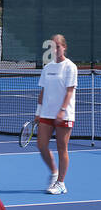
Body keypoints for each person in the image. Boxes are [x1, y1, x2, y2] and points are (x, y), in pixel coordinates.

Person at [37, 33, 77, 195]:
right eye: (53, 47)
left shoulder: (70, 67)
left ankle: (61, 183)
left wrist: (62, 110)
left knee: (62, 147)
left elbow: (69, 91)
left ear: (64, 47)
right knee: (41, 145)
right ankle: (54, 173)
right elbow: (43, 90)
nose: (55, 49)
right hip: (46, 113)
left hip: (64, 114)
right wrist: (38, 111)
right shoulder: (47, 68)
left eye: (58, 46)